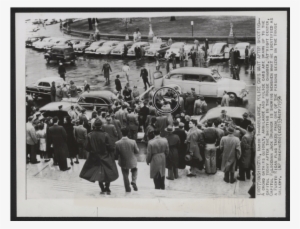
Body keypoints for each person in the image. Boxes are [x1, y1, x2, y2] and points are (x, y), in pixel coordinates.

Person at [79, 119, 119, 195]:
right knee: (107, 172)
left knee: (98, 174)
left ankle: (102, 189)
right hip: (105, 156)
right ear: (101, 126)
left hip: (94, 157)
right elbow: (111, 147)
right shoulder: (105, 135)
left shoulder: (90, 135)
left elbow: (87, 147)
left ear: (94, 126)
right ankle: (107, 187)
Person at [115, 128, 139, 192]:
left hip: (123, 161)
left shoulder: (117, 143)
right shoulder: (133, 141)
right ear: (128, 133)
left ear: (121, 133)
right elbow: (137, 151)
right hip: (132, 160)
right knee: (134, 170)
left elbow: (116, 154)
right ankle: (133, 181)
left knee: (125, 174)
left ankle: (127, 188)